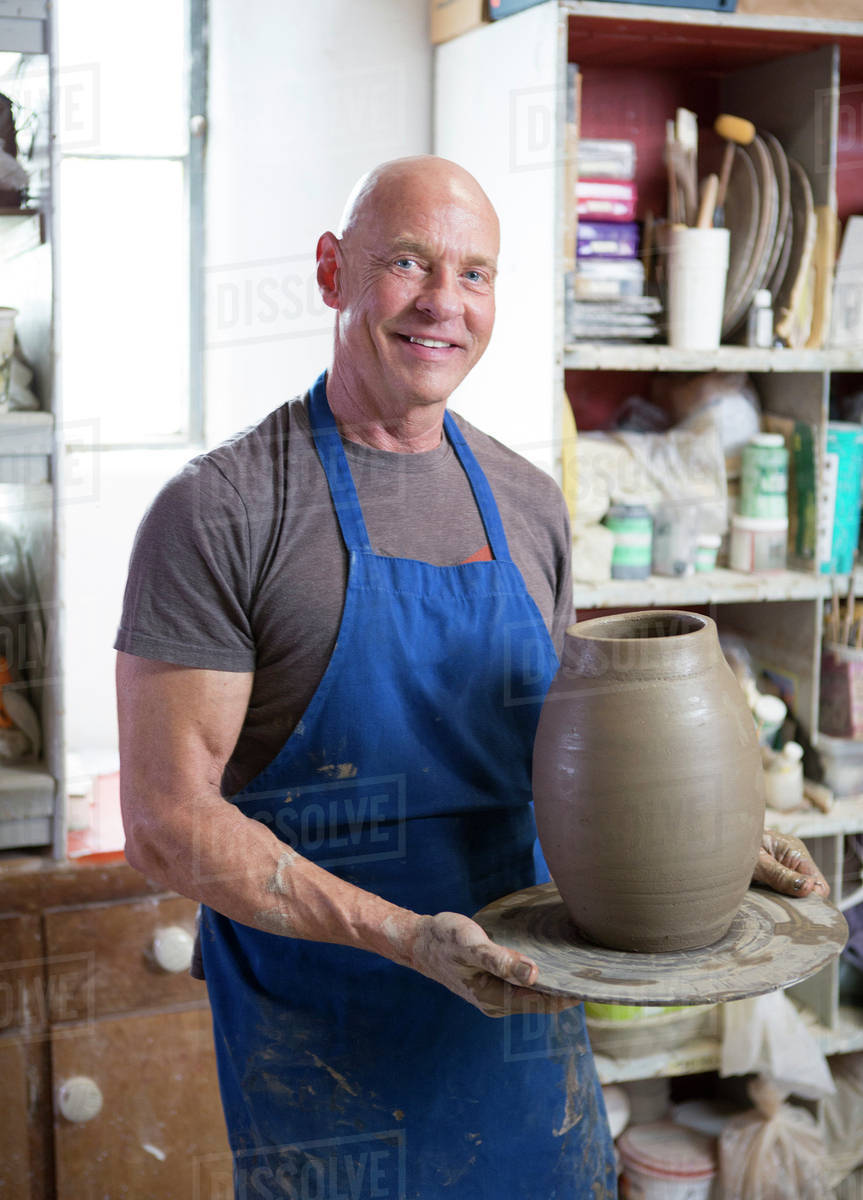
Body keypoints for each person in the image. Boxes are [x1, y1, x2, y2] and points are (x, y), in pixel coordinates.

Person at [116, 155, 829, 1199]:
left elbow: (562, 753)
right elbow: (166, 823)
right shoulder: (221, 511)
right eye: (406, 263)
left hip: (526, 1051)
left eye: (475, 274)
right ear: (331, 272)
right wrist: (403, 939)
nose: (442, 303)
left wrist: (719, 839)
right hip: (332, 1064)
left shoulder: (528, 503)